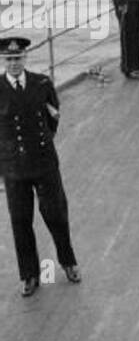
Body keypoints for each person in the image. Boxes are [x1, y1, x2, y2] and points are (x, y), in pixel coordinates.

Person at [0, 35, 80, 297]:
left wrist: (43, 142)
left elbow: (52, 118)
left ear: (25, 58)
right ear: (3, 61)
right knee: (21, 222)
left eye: (18, 58)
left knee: (56, 215)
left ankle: (68, 262)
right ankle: (29, 275)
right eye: (9, 59)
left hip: (44, 162)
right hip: (13, 167)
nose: (13, 63)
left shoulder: (42, 84)